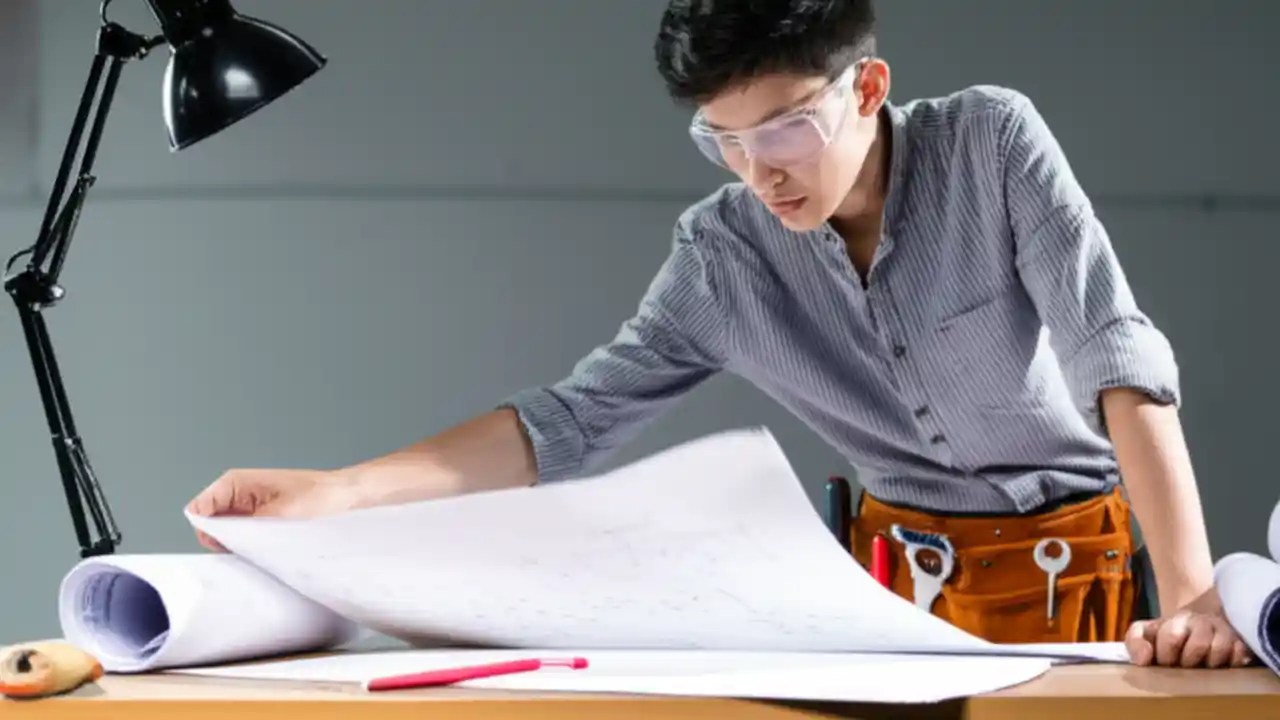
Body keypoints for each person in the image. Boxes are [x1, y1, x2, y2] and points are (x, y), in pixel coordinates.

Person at [187, 0, 1250, 668]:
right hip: (891, 603)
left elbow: (1115, 357)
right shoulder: (723, 255)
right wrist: (337, 491)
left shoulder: (991, 144)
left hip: (1076, 579)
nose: (758, 174)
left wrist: (1195, 595)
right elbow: (568, 420)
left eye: (785, 131)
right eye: (723, 141)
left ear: (867, 87)